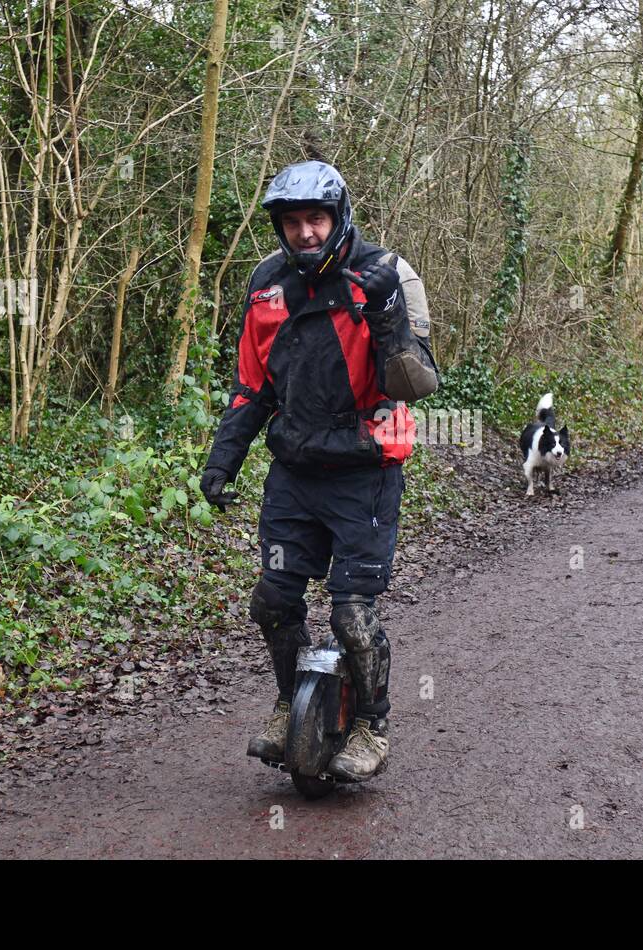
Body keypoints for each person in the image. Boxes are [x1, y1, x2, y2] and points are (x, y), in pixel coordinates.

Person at [199, 160, 439, 782]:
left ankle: (373, 725)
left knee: (351, 613)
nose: (305, 232)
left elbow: (417, 383)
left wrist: (388, 316)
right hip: (296, 470)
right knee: (274, 600)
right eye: (293, 222)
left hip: (366, 470)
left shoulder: (388, 274)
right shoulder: (266, 285)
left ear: (338, 217)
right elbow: (252, 386)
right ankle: (288, 702)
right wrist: (223, 459)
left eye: (316, 219)